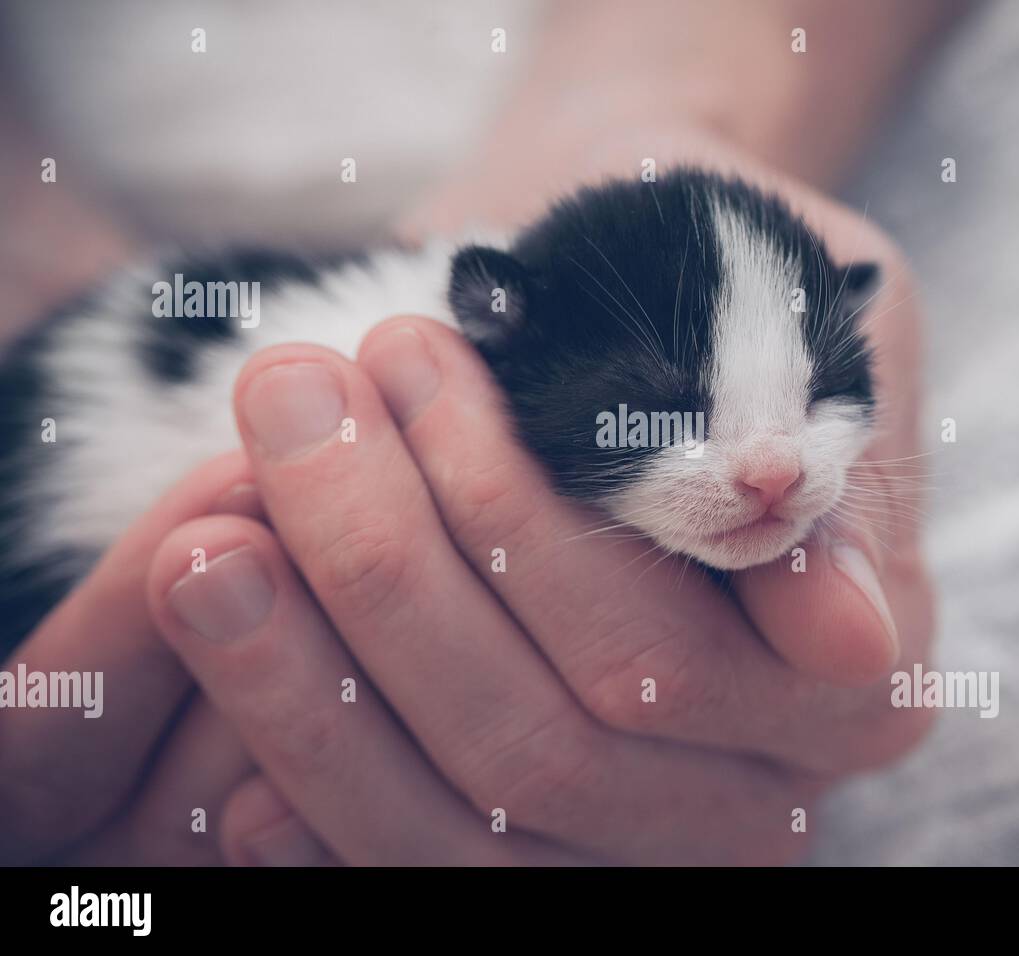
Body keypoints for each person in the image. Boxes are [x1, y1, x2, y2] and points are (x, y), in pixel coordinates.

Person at [0, 0, 952, 865]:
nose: (775, 470)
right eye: (668, 407)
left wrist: (674, 96)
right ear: (505, 337)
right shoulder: (389, 366)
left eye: (819, 391)